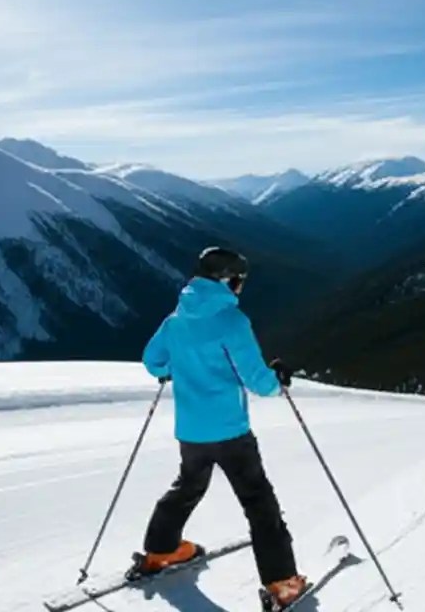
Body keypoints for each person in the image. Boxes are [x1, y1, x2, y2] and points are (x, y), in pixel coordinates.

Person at [136, 246, 307, 606]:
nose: (241, 289)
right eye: (240, 282)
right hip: (230, 432)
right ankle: (282, 582)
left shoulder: (175, 320)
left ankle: (160, 551)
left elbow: (153, 361)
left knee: (186, 488)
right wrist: (279, 381)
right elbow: (257, 380)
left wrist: (172, 369)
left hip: (191, 432)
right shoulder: (231, 321)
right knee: (259, 501)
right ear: (227, 280)